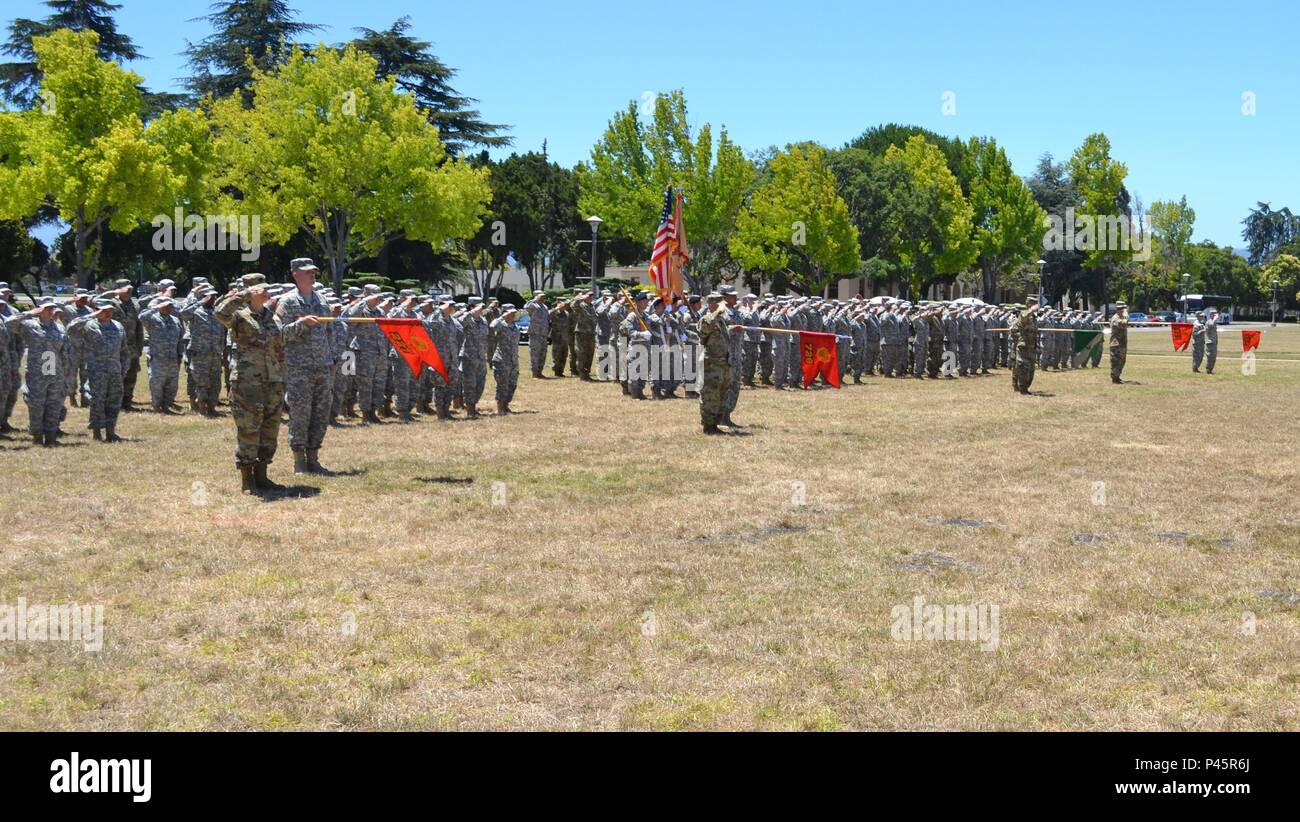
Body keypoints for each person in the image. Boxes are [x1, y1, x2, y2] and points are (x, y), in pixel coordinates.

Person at [216, 276, 286, 494]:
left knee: (269, 429)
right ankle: (247, 479)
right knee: (249, 429)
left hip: (272, 380)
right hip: (247, 381)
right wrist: (242, 295)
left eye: (267, 288)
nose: (266, 292)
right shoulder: (238, 314)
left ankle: (262, 476)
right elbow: (219, 313)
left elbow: (278, 348)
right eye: (261, 289)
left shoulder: (271, 316)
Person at [276, 258, 334, 474]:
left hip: (322, 365)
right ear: (295, 275)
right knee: (300, 413)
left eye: (314, 272)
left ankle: (314, 458)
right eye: (307, 272)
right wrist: (301, 324)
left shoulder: (322, 300)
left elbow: (330, 333)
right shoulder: (287, 302)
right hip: (299, 367)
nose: (312, 275)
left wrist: (333, 359)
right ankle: (299, 460)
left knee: (320, 412)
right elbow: (278, 333)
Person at [5, 297, 68, 445]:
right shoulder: (29, 325)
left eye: (52, 308)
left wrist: (67, 370)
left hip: (55, 373)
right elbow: (9, 323)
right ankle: (37, 436)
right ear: (39, 309)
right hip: (37, 374)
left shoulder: (59, 328)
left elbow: (65, 351)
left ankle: (51, 436)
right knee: (36, 405)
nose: (50, 310)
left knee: (54, 404)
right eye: (46, 308)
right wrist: (30, 313)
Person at [66, 298, 129, 442]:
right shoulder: (89, 325)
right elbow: (70, 328)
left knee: (114, 401)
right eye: (104, 310)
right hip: (96, 370)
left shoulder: (118, 326)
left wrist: (124, 367)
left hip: (114, 370)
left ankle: (110, 431)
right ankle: (96, 432)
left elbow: (124, 350)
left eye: (110, 311)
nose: (108, 313)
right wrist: (91, 316)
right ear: (97, 310)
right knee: (97, 401)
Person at [138, 297, 183, 413]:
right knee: (157, 383)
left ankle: (167, 406)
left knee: (172, 384)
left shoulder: (175, 320)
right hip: (157, 358)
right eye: (166, 305)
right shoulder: (152, 318)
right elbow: (141, 318)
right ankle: (157, 407)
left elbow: (179, 339)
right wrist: (155, 307)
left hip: (172, 357)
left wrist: (179, 355)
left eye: (170, 306)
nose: (169, 308)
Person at [698, 292, 733, 434]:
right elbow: (704, 330)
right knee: (710, 394)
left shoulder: (721, 320)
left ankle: (716, 422)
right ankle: (708, 425)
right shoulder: (706, 319)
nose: (723, 306)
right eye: (719, 303)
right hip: (712, 363)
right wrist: (717, 311)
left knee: (722, 394)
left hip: (723, 362)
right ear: (712, 304)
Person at [490, 305, 521, 414]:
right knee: (502, 384)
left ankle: (506, 405)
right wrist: (501, 317)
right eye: (511, 313)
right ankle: (500, 407)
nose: (513, 315)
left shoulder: (514, 326)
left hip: (513, 359)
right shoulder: (501, 325)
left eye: (514, 313)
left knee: (512, 384)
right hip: (502, 359)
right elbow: (492, 326)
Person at [1012, 298, 1039, 395]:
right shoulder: (1024, 314)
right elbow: (1023, 317)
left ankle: (1024, 387)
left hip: (1031, 345)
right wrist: (1032, 310)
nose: (1037, 305)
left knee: (1031, 368)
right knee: (1022, 366)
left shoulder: (1033, 317)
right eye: (1034, 303)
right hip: (1024, 345)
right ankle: (1021, 388)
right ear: (1029, 304)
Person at [523, 291, 550, 378]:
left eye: (543, 297)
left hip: (543, 334)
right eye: (541, 296)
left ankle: (540, 372)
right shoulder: (532, 305)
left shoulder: (544, 306)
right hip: (535, 333)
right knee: (535, 353)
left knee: (543, 353)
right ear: (536, 296)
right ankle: (535, 373)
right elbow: (526, 307)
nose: (543, 298)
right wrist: (535, 300)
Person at [1109, 301, 1129, 384]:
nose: (1123, 311)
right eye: (1122, 310)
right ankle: (1115, 378)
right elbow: (1123, 324)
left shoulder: (1121, 317)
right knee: (1116, 361)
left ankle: (1118, 376)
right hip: (1116, 344)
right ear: (1118, 310)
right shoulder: (1115, 318)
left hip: (1122, 343)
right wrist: (1126, 316)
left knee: (1122, 360)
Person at [1204, 308, 1219, 374]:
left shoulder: (1213, 322)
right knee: (1210, 357)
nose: (1216, 315)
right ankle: (1208, 369)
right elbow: (1210, 326)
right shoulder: (1209, 321)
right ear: (1211, 315)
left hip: (1214, 342)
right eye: (1214, 314)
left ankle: (1210, 369)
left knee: (1214, 357)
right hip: (1210, 342)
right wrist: (1215, 319)